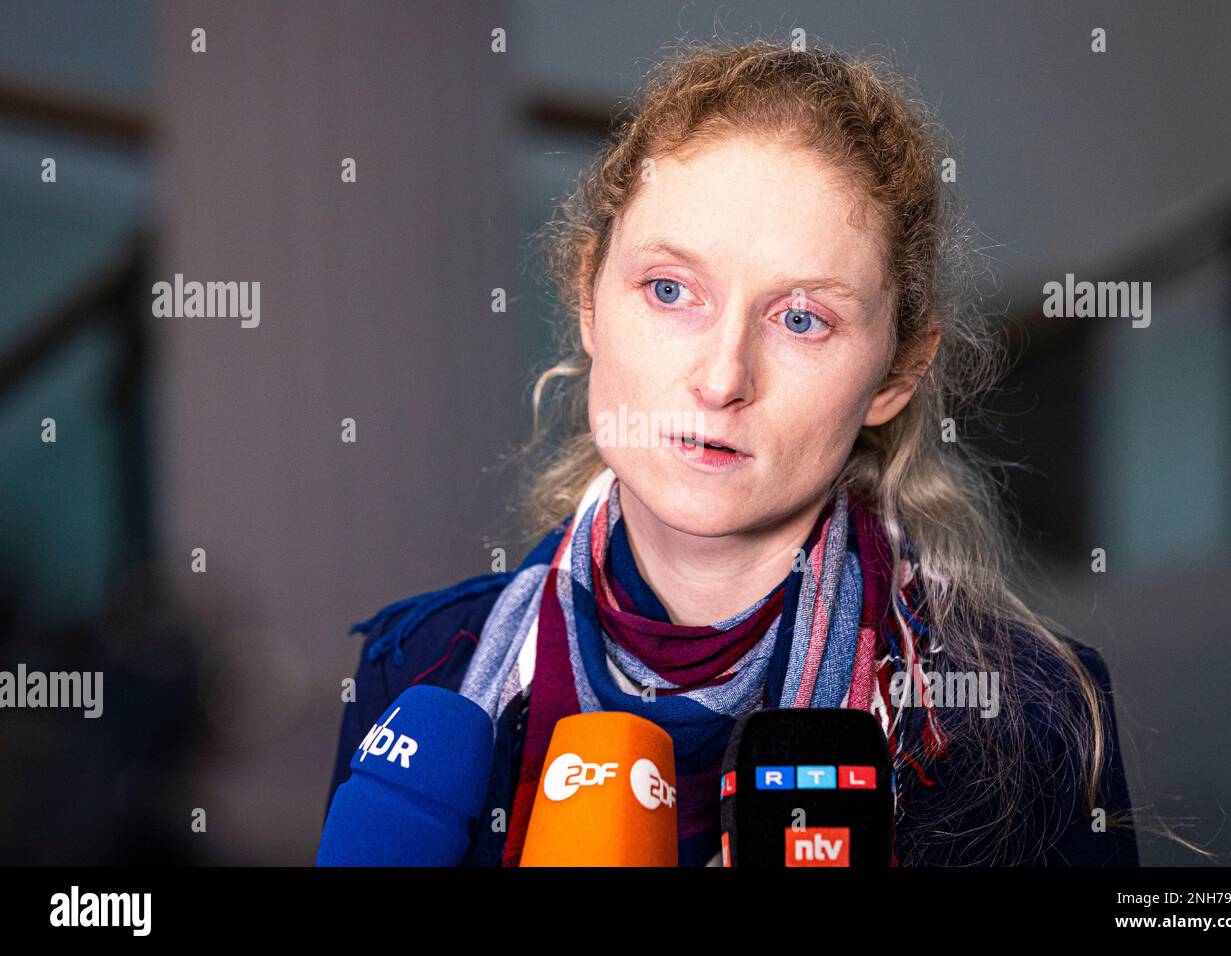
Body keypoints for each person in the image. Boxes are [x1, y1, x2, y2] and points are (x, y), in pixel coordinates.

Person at [326, 41, 1139, 867]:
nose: (722, 380)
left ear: (897, 373)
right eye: (671, 291)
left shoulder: (1023, 719)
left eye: (800, 319)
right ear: (587, 300)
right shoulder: (419, 672)